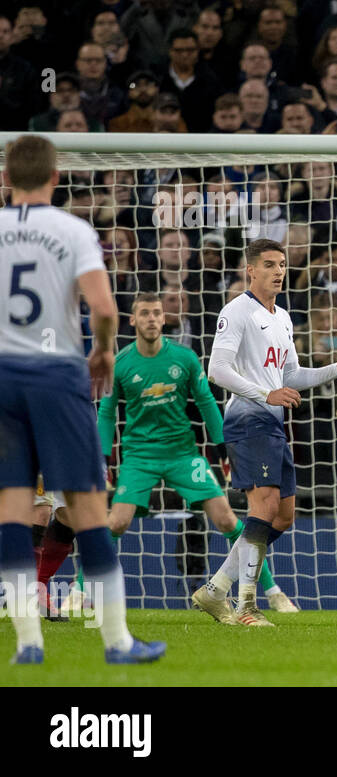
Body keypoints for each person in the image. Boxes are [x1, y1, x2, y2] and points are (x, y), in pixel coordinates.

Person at [0, 134, 163, 664]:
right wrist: (103, 351)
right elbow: (104, 306)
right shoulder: (72, 230)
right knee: (88, 505)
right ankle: (117, 641)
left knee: (13, 508)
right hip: (56, 374)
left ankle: (27, 644)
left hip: (4, 376)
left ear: (6, 179)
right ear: (55, 178)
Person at [192, 239, 337, 627]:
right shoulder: (236, 311)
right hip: (247, 419)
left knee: (283, 516)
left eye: (282, 265)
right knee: (264, 509)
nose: (278, 271)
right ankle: (245, 608)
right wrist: (265, 392)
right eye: (270, 265)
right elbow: (217, 370)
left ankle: (215, 590)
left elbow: (290, 375)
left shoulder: (283, 317)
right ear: (251, 271)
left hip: (273, 422)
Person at [87, 292, 295, 620]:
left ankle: (273, 592)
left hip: (183, 453)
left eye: (157, 313)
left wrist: (223, 447)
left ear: (164, 319)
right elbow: (107, 413)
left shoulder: (184, 358)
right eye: (145, 314)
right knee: (117, 521)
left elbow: (206, 403)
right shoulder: (121, 363)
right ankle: (82, 590)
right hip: (139, 455)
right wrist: (102, 457)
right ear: (133, 320)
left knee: (228, 519)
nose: (152, 319)